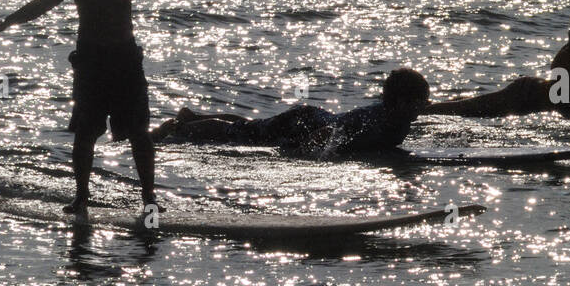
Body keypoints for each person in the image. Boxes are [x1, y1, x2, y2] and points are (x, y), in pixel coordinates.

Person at [0, 0, 214, 222]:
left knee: (130, 133)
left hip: (119, 61)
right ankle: (86, 197)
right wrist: (6, 23)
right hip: (96, 63)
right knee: (92, 134)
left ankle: (143, 198)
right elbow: (40, 5)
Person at [154, 69, 430, 157]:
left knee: (253, 127)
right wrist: (305, 155)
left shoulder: (399, 120)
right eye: (419, 102)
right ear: (402, 102)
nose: (423, 107)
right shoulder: (377, 120)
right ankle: (180, 128)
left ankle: (193, 117)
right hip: (306, 123)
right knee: (243, 135)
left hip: (314, 119)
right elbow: (332, 132)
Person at [428, 8, 570, 117]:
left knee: (475, 108)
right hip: (525, 95)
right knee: (473, 109)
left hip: (534, 101)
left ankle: (432, 107)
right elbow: (564, 100)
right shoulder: (566, 58)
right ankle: (428, 110)